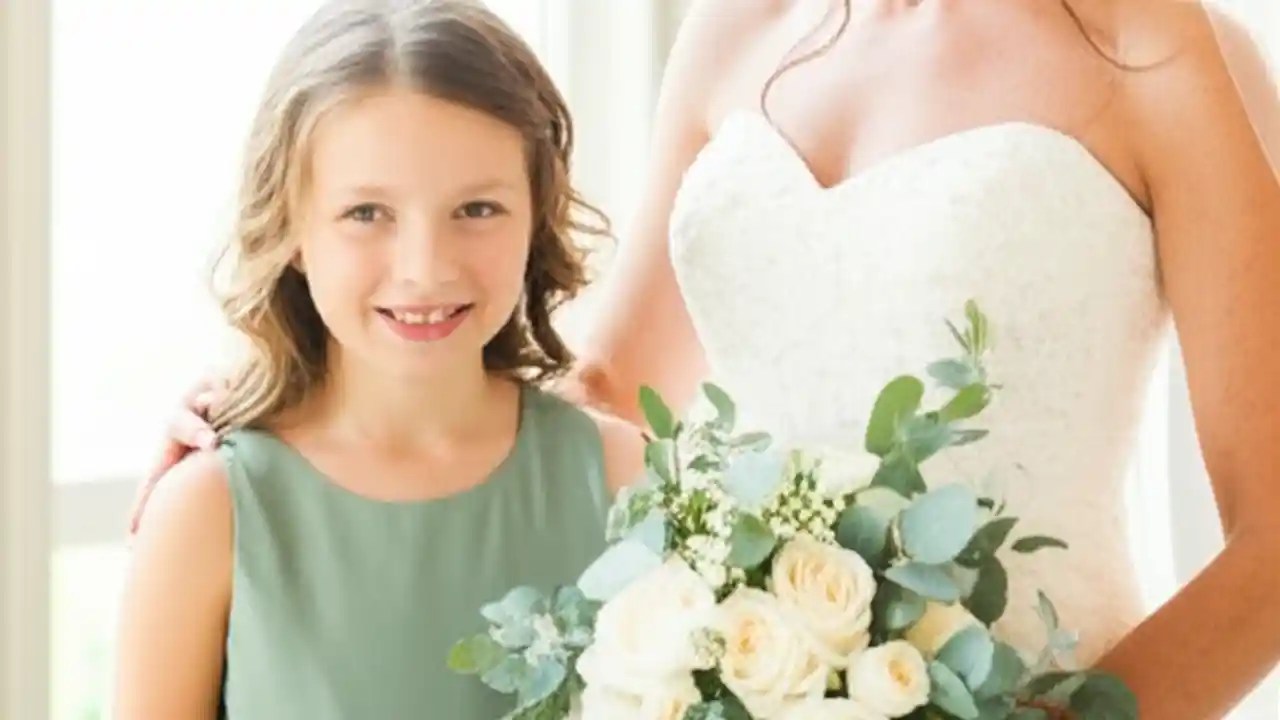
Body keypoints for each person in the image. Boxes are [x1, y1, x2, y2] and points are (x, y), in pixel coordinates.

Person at [139, 0, 1280, 716]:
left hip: (1041, 679)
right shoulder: (736, 30)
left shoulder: (1153, 42)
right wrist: (290, 406)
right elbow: (597, 388)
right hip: (736, 680)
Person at [114, 2, 643, 717]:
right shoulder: (210, 513)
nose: (424, 269)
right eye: (367, 213)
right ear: (291, 228)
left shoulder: (624, 479)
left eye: (477, 209)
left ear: (537, 212)